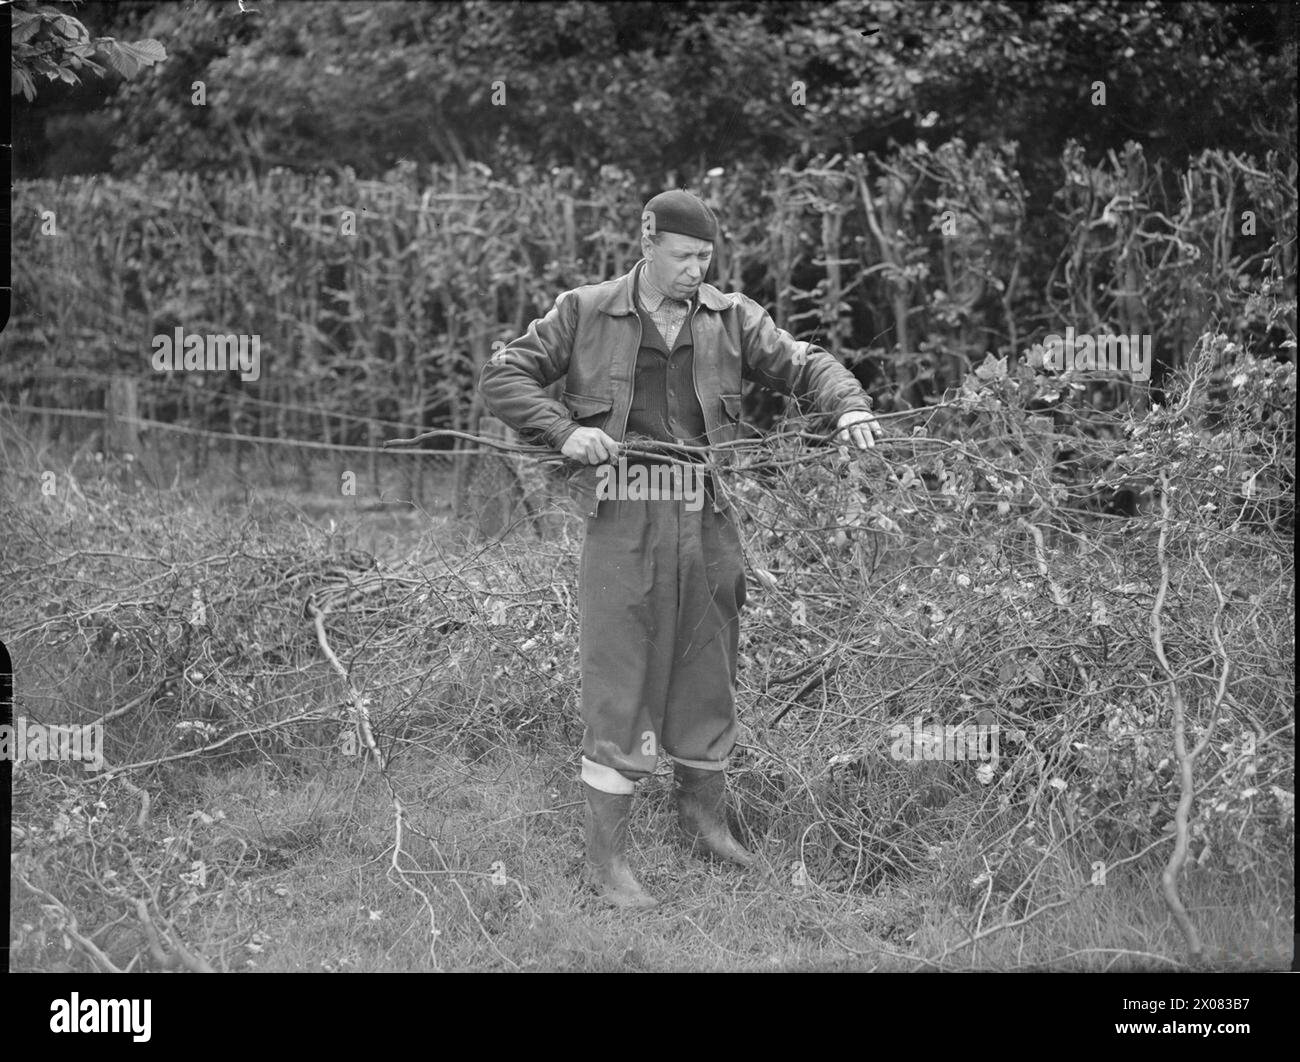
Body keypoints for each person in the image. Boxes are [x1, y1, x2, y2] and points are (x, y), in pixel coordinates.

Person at [479, 188, 880, 909]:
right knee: (619, 673)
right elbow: (503, 375)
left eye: (707, 258)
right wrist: (565, 431)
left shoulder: (732, 319)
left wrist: (847, 402)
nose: (699, 270)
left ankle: (706, 824)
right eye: (686, 256)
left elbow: (804, 362)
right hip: (623, 510)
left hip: (707, 512)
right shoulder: (585, 310)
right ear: (647, 238)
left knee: (707, 663)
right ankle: (608, 858)